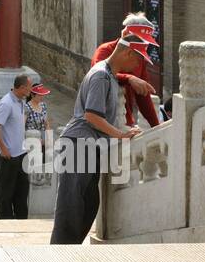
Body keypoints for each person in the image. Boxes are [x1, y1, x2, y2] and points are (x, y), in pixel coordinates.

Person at [50, 36, 147, 245]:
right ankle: (58, 257)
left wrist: (125, 130)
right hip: (78, 144)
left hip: (90, 146)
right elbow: (92, 116)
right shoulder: (102, 76)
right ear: (128, 53)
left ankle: (69, 252)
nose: (138, 65)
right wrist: (121, 134)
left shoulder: (109, 75)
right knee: (71, 206)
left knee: (89, 204)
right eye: (138, 59)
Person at [90, 13, 162, 128]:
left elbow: (143, 94)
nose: (144, 46)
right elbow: (101, 73)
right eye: (141, 41)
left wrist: (156, 127)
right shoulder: (105, 50)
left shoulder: (140, 59)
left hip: (124, 120)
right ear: (126, 34)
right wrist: (129, 78)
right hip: (102, 121)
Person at [0, 74, 46, 218]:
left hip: (21, 154)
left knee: (22, 191)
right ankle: (5, 220)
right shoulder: (6, 103)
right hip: (8, 156)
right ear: (22, 88)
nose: (31, 90)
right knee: (6, 192)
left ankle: (21, 219)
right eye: (29, 87)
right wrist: (3, 148)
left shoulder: (21, 101)